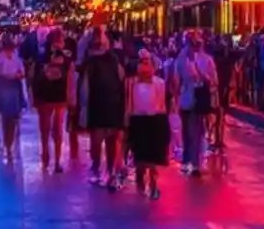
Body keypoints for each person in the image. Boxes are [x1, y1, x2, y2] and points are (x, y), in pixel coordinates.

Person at [80, 27, 126, 190]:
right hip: (97, 103)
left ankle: (111, 170)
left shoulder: (115, 59)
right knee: (97, 139)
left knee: (112, 140)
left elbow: (122, 81)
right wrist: (83, 108)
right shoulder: (89, 61)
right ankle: (96, 168)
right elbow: (85, 86)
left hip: (113, 103)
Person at [127, 50, 171, 199]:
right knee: (140, 157)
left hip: (155, 121)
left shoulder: (159, 83)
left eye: (148, 63)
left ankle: (153, 184)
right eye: (142, 63)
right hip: (138, 121)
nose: (145, 66)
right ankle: (140, 182)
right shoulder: (132, 83)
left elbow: (162, 105)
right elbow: (129, 104)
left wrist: (164, 126)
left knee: (153, 158)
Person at [176, 31, 217, 176]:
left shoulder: (207, 60)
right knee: (187, 131)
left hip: (199, 100)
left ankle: (195, 162)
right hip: (185, 99)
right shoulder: (182, 59)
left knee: (196, 131)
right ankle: (188, 160)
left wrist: (202, 77)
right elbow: (176, 80)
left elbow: (213, 81)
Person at [34, 29, 72, 172]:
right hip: (51, 96)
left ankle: (51, 159)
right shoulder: (46, 57)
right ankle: (51, 158)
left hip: (53, 96)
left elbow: (69, 77)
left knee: (52, 129)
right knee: (52, 129)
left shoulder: (46, 57)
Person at [0, 34, 28, 162]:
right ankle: (7, 144)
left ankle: (9, 144)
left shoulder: (17, 58)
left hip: (13, 88)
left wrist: (17, 75)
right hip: (3, 88)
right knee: (5, 118)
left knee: (12, 118)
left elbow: (22, 72)